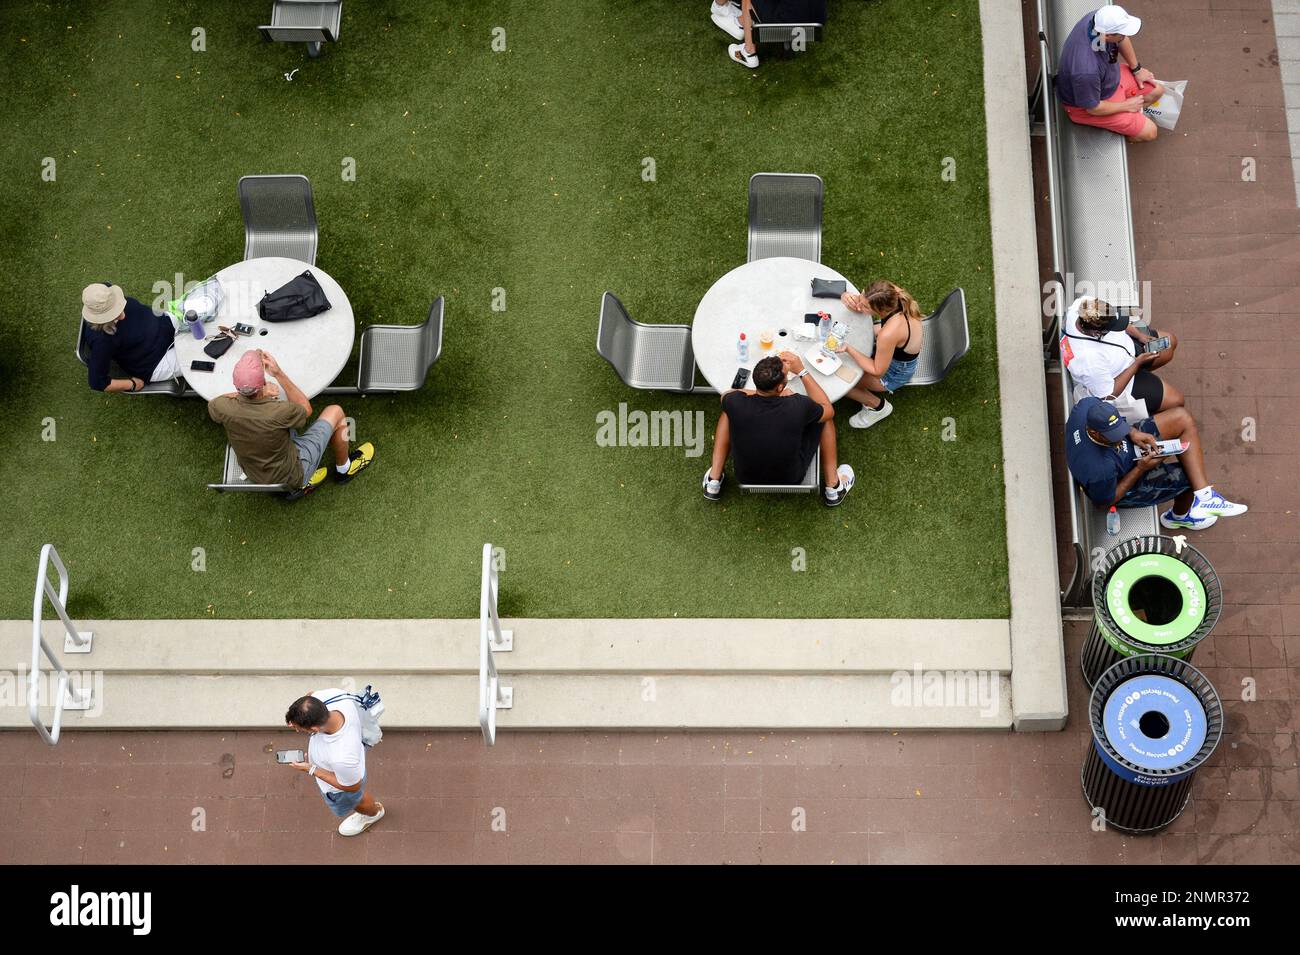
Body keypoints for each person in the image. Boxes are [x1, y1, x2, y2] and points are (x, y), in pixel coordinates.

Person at [1064, 396, 1246, 530]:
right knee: (1189, 477)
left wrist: (1131, 433)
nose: (1119, 438)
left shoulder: (1086, 406)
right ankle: (1179, 517)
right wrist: (1141, 468)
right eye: (1113, 437)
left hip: (1132, 453)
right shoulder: (1098, 470)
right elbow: (1105, 501)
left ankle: (1205, 497)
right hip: (1124, 482)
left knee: (1181, 417)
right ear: (1095, 433)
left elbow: (1109, 418)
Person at [208, 350, 374, 492]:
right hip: (292, 474)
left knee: (285, 429)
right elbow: (305, 409)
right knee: (337, 412)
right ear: (263, 383)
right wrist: (278, 373)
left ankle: (296, 484)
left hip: (254, 472)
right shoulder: (279, 412)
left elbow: (214, 403)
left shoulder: (222, 407)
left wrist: (254, 391)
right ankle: (344, 469)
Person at [703, 353, 854, 506]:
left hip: (745, 475)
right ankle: (833, 488)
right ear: (781, 387)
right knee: (824, 417)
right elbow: (828, 409)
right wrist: (802, 371)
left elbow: (727, 395)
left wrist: (763, 393)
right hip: (790, 477)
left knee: (727, 413)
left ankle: (713, 481)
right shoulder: (798, 405)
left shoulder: (734, 402)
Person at [1055, 5, 1163, 143]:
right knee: (1150, 133)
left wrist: (1137, 69)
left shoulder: (1098, 19)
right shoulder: (1085, 70)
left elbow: (1121, 39)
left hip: (1108, 79)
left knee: (1157, 91)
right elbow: (1092, 108)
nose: (1125, 36)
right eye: (1122, 33)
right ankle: (1126, 128)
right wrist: (1126, 106)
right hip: (1089, 104)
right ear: (1107, 35)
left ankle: (1129, 118)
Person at [285, 690, 385, 836]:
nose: (296, 729)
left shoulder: (342, 758)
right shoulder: (329, 696)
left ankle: (373, 813)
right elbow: (311, 694)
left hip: (342, 785)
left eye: (299, 729)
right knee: (358, 795)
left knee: (356, 799)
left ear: (314, 729)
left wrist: (311, 769)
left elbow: (352, 786)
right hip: (349, 766)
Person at [1061, 296, 1181, 416]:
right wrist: (1137, 364)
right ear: (1096, 333)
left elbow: (1118, 321)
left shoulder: (1086, 307)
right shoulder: (1088, 361)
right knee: (1177, 401)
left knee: (1172, 341)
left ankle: (1145, 375)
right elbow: (1109, 394)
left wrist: (1139, 336)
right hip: (1123, 382)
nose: (1116, 327)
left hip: (1130, 351)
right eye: (1112, 328)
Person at [834, 280, 924, 429]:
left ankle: (878, 407)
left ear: (880, 311)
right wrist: (847, 296)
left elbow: (877, 371)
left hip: (895, 372)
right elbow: (862, 299)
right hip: (900, 345)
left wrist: (848, 348)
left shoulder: (888, 334)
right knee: (858, 333)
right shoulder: (890, 292)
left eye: (864, 306)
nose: (858, 306)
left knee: (841, 379)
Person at [80, 282, 180, 394]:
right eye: (114, 314)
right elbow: (97, 382)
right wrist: (132, 384)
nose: (123, 315)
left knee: (200, 307)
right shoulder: (101, 340)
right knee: (199, 358)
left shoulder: (105, 294)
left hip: (165, 324)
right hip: (156, 361)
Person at [711, 0, 827, 69]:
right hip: (816, 20)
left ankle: (748, 51)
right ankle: (743, 19)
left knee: (747, 1)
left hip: (783, 26)